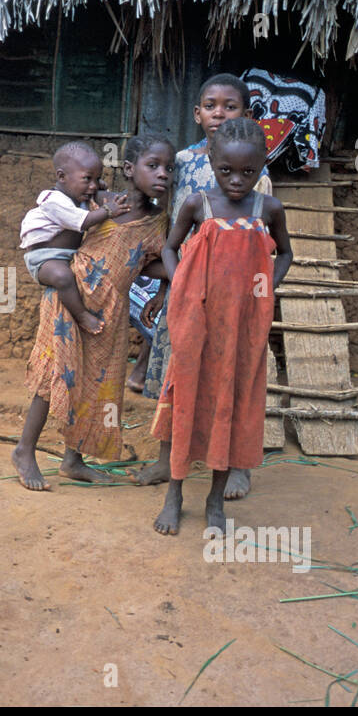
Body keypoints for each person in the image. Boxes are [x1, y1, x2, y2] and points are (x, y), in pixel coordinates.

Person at [150, 118, 292, 536]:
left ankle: (215, 500)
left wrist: (265, 289)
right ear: (211, 161)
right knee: (187, 396)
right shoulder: (198, 204)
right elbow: (169, 247)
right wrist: (181, 285)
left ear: (263, 166)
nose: (236, 180)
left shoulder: (268, 209)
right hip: (198, 323)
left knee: (232, 402)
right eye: (226, 170)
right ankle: (174, 494)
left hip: (243, 328)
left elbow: (285, 255)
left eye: (248, 172)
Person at [135, 73, 273, 500]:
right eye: (210, 105)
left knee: (232, 376)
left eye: (229, 106)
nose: (219, 113)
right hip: (187, 293)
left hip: (234, 297)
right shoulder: (181, 162)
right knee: (175, 374)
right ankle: (166, 458)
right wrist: (170, 286)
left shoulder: (257, 179)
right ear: (197, 114)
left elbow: (266, 244)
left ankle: (236, 467)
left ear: (245, 115)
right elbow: (171, 228)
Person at [11, 135, 173, 490]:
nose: (162, 174)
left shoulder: (159, 222)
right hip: (73, 297)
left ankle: (74, 459)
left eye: (168, 168)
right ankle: (25, 449)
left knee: (96, 383)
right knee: (53, 372)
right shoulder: (100, 201)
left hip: (110, 310)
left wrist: (161, 293)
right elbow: (60, 217)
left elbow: (156, 262)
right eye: (153, 166)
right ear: (129, 170)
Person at [19, 142, 131, 334]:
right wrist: (108, 210)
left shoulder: (79, 198)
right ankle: (82, 316)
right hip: (44, 259)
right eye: (87, 179)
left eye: (97, 179)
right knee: (64, 278)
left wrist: (94, 189)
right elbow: (84, 222)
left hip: (66, 256)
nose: (93, 185)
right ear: (61, 176)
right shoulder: (53, 201)